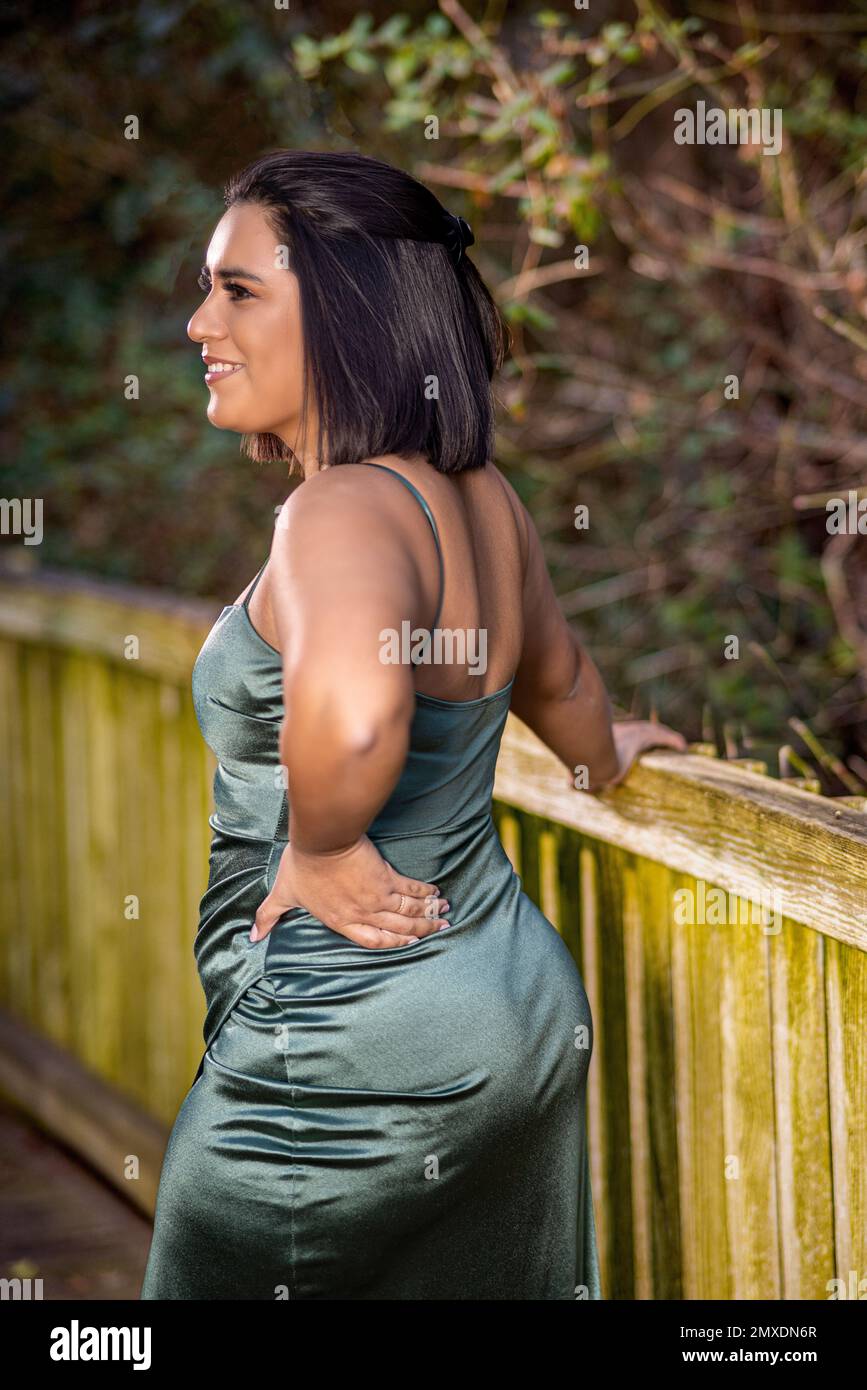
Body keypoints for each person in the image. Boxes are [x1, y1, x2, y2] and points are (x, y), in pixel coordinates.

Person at [139, 149, 686, 1301]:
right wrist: (603, 758)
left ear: (347, 311)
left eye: (238, 289)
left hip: (355, 1032)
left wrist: (324, 846)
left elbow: (356, 716)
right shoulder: (482, 497)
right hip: (513, 1010)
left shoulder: (335, 511)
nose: (199, 323)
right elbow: (559, 673)